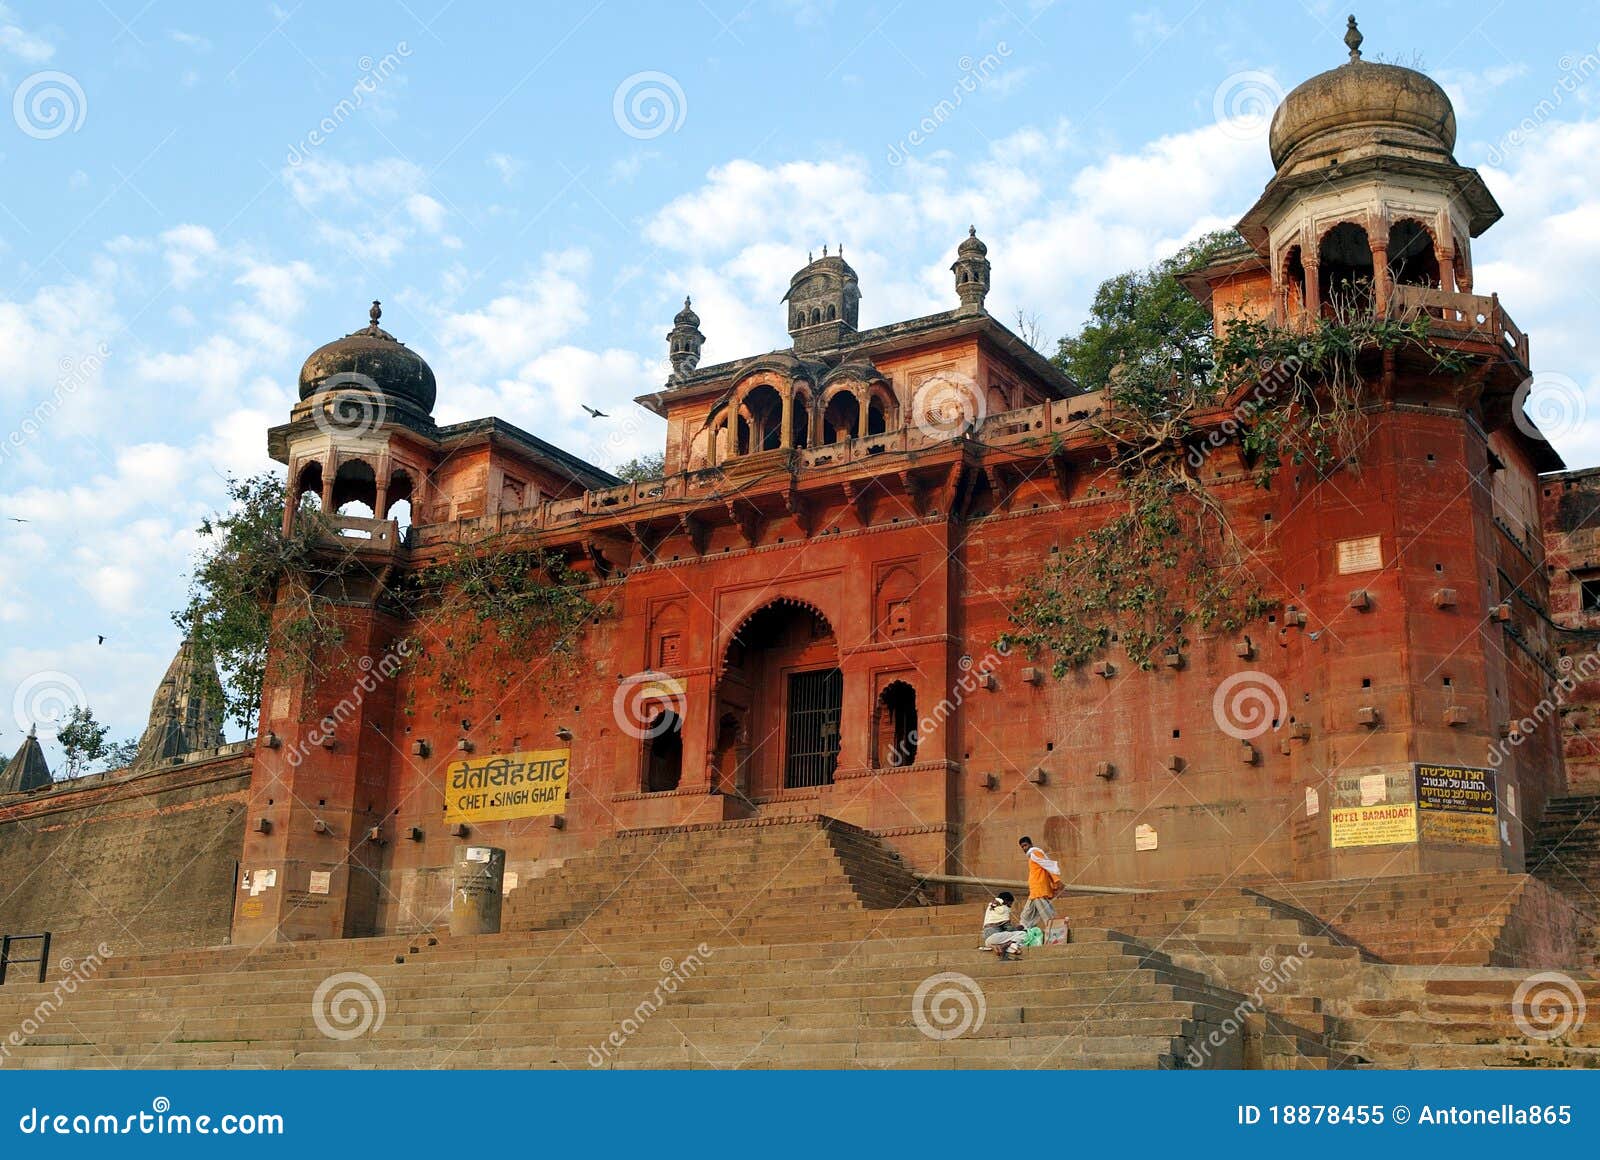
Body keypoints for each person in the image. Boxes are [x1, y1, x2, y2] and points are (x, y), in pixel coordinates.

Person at [1018, 835, 1062, 929]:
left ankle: (1056, 932)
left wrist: (1057, 881)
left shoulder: (1035, 853)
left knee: (1047, 915)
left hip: (1039, 890)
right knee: (1026, 916)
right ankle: (1022, 932)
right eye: (1022, 847)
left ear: (1031, 844)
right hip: (1034, 891)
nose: (1024, 848)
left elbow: (1048, 866)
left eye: (1025, 845)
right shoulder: (1031, 856)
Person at [981, 891, 1027, 958]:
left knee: (1010, 938)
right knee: (1023, 934)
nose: (1010, 905)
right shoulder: (1004, 908)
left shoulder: (990, 906)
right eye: (1010, 903)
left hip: (987, 941)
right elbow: (1009, 929)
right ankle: (1004, 946)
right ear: (1006, 901)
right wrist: (1018, 928)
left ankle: (1001, 946)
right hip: (995, 937)